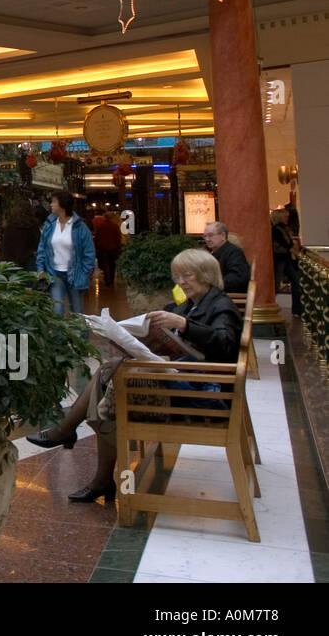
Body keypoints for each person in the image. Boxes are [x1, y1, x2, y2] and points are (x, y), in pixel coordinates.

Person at [27, 248, 240, 502]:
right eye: (177, 277)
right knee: (111, 376)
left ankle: (75, 443)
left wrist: (182, 324)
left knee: (112, 391)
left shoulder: (221, 306)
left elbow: (225, 342)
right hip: (189, 384)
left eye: (186, 276)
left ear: (206, 274)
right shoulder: (196, 304)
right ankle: (79, 449)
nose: (180, 282)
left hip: (201, 398)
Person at [36, 192, 95, 317]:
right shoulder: (50, 225)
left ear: (62, 205)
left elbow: (89, 253)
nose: (51, 205)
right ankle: (59, 336)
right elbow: (42, 248)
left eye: (53, 202)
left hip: (75, 274)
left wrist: (84, 272)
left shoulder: (80, 227)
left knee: (77, 311)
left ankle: (79, 336)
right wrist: (41, 269)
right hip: (55, 274)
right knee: (57, 309)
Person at [202, 221, 250, 293]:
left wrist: (212, 284)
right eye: (205, 236)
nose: (207, 239)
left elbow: (236, 278)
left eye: (210, 235)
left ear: (223, 236)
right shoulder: (212, 253)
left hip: (227, 297)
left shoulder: (234, 252)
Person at [92, 208, 124, 289]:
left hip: (103, 248)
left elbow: (97, 237)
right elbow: (118, 237)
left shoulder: (100, 226)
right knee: (112, 264)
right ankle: (111, 279)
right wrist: (118, 246)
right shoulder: (115, 226)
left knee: (105, 263)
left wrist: (97, 246)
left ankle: (107, 279)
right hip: (114, 248)